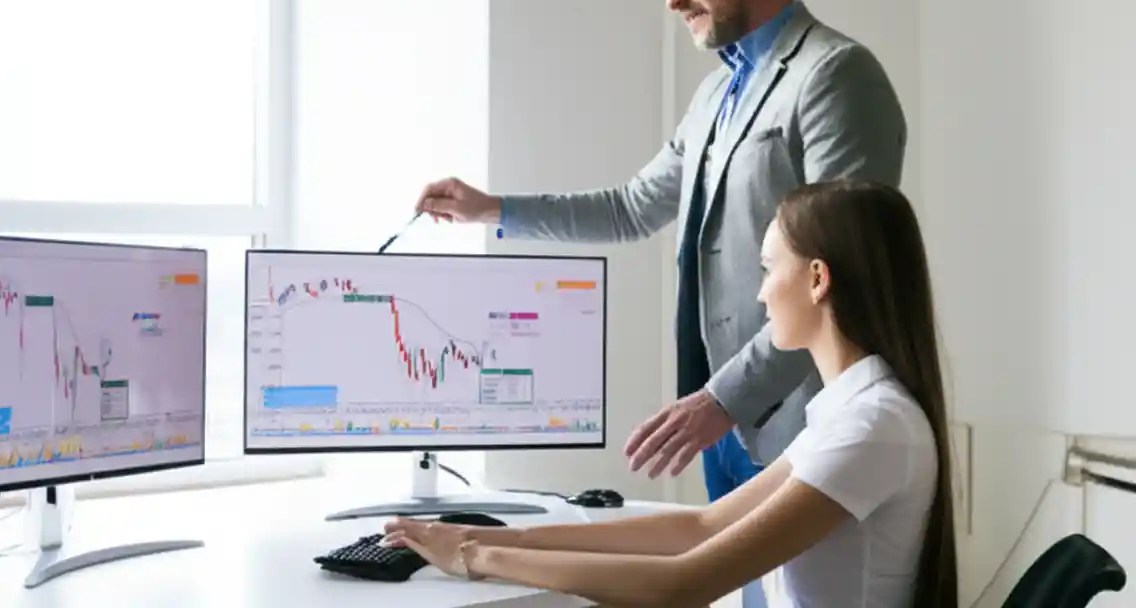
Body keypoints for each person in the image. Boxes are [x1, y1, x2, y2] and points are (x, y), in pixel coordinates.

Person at [415, 0, 905, 547]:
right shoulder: (714, 95)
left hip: (803, 416)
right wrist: (492, 211)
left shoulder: (834, 74)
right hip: (728, 428)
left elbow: (840, 274)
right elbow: (632, 207)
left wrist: (721, 399)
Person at [385, 180, 958, 608]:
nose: (760, 295)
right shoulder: (853, 414)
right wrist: (484, 535)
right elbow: (701, 527)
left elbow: (686, 581)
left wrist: (475, 559)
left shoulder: (872, 427)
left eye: (767, 268)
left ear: (816, 278)